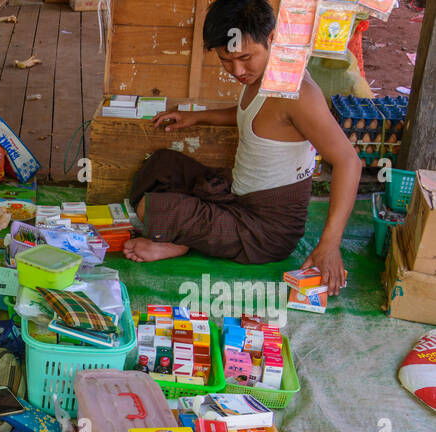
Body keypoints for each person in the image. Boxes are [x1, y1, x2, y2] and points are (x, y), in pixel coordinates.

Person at [123, 0, 361, 294]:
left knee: (154, 208)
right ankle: (185, 232)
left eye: (246, 57)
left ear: (272, 38)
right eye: (226, 60)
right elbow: (249, 114)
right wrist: (195, 116)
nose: (236, 70)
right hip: (238, 192)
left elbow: (350, 162)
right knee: (161, 164)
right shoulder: (260, 74)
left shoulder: (297, 93)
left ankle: (177, 243)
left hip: (265, 231)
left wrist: (330, 243)